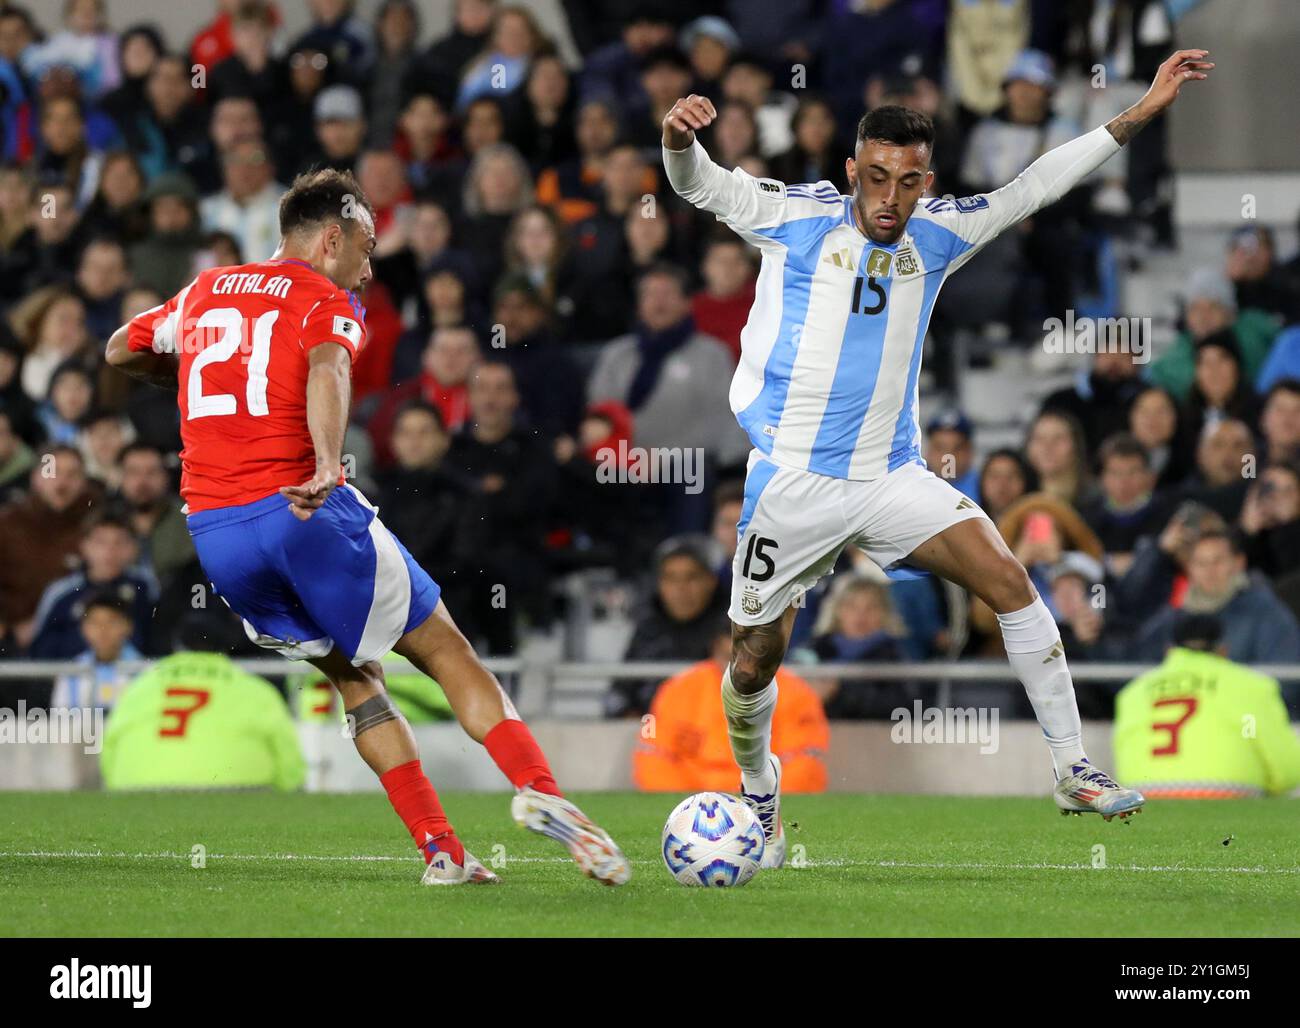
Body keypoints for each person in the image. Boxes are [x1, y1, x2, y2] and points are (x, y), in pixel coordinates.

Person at [660, 48, 1214, 862]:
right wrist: (678, 141)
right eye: (877, 178)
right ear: (853, 168)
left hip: (889, 478)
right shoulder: (795, 215)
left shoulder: (942, 231)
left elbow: (1036, 185)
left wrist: (1141, 110)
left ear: (927, 178)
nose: (890, 199)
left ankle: (1071, 767)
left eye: (908, 181)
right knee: (751, 663)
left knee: (1010, 582)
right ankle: (760, 794)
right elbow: (701, 185)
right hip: (792, 483)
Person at [105, 167, 627, 886]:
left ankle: (442, 852)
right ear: (330, 238)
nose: (370, 266)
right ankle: (543, 792)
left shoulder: (202, 290)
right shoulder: (324, 296)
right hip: (301, 506)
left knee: (356, 679)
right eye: (366, 246)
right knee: (446, 650)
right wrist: (326, 460)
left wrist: (190, 377)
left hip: (219, 535)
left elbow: (118, 350)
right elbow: (328, 369)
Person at [1114, 613, 1300, 798]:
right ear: (1223, 650)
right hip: (1227, 794)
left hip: (1146, 796)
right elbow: (1288, 770)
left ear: (1169, 650)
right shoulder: (1252, 685)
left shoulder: (1132, 692)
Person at [633, 628, 828, 794]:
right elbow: (653, 755)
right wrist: (691, 804)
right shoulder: (677, 689)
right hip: (694, 802)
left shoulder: (795, 692)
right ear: (715, 650)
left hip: (764, 801)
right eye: (730, 657)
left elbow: (805, 760)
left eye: (750, 658)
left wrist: (763, 803)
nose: (741, 668)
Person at [99, 646, 307, 792]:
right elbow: (289, 764)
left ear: (176, 646)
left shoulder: (141, 685)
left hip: (138, 791)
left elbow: (109, 749)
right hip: (238, 793)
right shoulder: (254, 688)